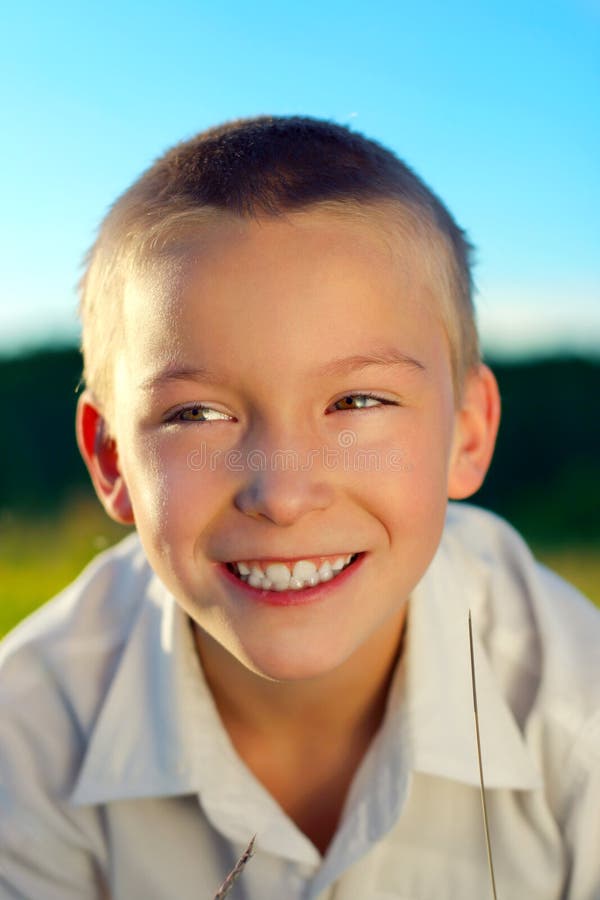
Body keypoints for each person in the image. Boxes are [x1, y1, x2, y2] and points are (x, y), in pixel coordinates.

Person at [1, 116, 598, 900]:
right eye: (198, 415)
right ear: (112, 459)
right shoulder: (27, 738)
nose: (281, 496)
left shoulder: (577, 706)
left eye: (355, 401)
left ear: (467, 432)